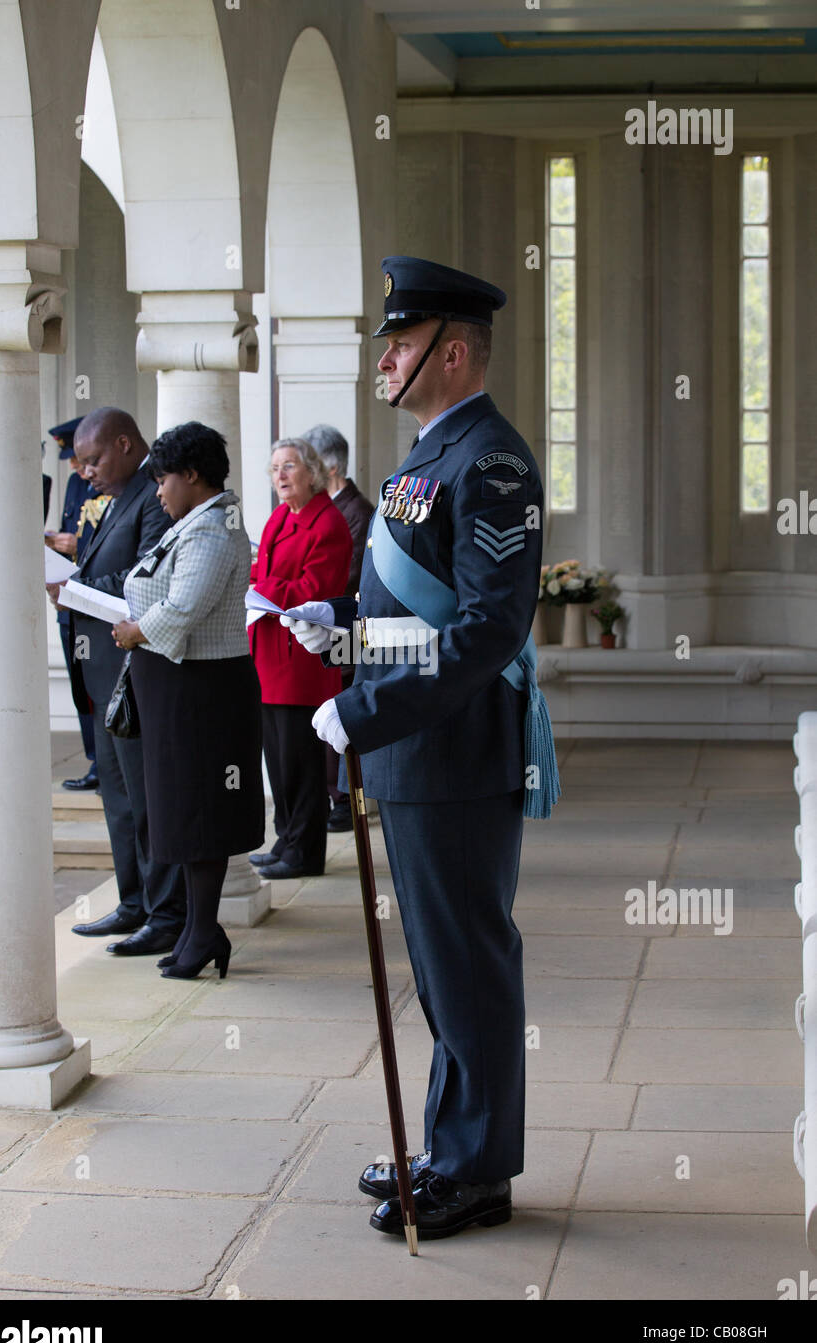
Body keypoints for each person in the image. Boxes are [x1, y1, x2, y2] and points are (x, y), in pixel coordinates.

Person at [283, 257, 548, 1240]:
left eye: (402, 341)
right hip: (411, 744)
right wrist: (340, 638)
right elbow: (403, 611)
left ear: (454, 350)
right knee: (438, 968)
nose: (385, 357)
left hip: (449, 749)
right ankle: (449, 1142)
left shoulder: (489, 460)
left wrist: (366, 713)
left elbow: (485, 630)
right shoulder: (426, 456)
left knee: (467, 961)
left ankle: (476, 1170)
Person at [110, 422, 265, 980]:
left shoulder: (211, 531)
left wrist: (133, 632)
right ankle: (202, 929)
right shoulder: (196, 523)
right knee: (185, 812)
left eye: (162, 479)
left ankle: (202, 931)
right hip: (180, 686)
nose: (157, 491)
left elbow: (182, 609)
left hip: (202, 689)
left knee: (203, 814)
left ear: (192, 476)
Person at [46, 407, 186, 955]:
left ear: (126, 445)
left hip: (136, 669)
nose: (85, 472)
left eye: (93, 459)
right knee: (117, 792)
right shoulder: (113, 495)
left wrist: (74, 585)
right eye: (80, 463)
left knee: (145, 794)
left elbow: (144, 577)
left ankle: (163, 912)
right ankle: (133, 901)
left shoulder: (155, 493)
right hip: (101, 670)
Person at [247, 438, 352, 880]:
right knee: (278, 762)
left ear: (311, 471)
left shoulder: (328, 524)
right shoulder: (278, 517)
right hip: (269, 656)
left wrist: (264, 587)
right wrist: (262, 585)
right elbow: (258, 574)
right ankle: (285, 839)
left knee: (302, 766)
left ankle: (306, 852)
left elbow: (314, 591)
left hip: (301, 660)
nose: (281, 476)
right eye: (274, 469)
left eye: (289, 466)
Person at [302, 424, 374, 832]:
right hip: (329, 630)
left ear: (329, 468)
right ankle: (338, 794)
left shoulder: (355, 512)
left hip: (346, 631)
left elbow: (350, 578)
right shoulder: (332, 509)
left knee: (343, 718)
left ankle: (346, 798)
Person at [45, 416, 106, 791]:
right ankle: (94, 760)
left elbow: (96, 541)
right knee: (78, 684)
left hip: (96, 598)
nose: (73, 465)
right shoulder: (72, 483)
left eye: (78, 457)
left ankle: (106, 761)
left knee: (99, 683)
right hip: (70, 599)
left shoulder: (108, 486)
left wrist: (75, 545)